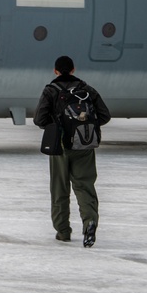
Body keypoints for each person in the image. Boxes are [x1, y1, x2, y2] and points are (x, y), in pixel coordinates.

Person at [34, 55, 111, 247]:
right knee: (85, 186)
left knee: (59, 188)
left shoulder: (51, 90)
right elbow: (105, 115)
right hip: (84, 145)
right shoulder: (87, 90)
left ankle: (63, 231)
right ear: (74, 69)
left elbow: (39, 119)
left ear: (55, 70)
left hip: (60, 147)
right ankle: (90, 222)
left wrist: (56, 127)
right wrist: (85, 126)